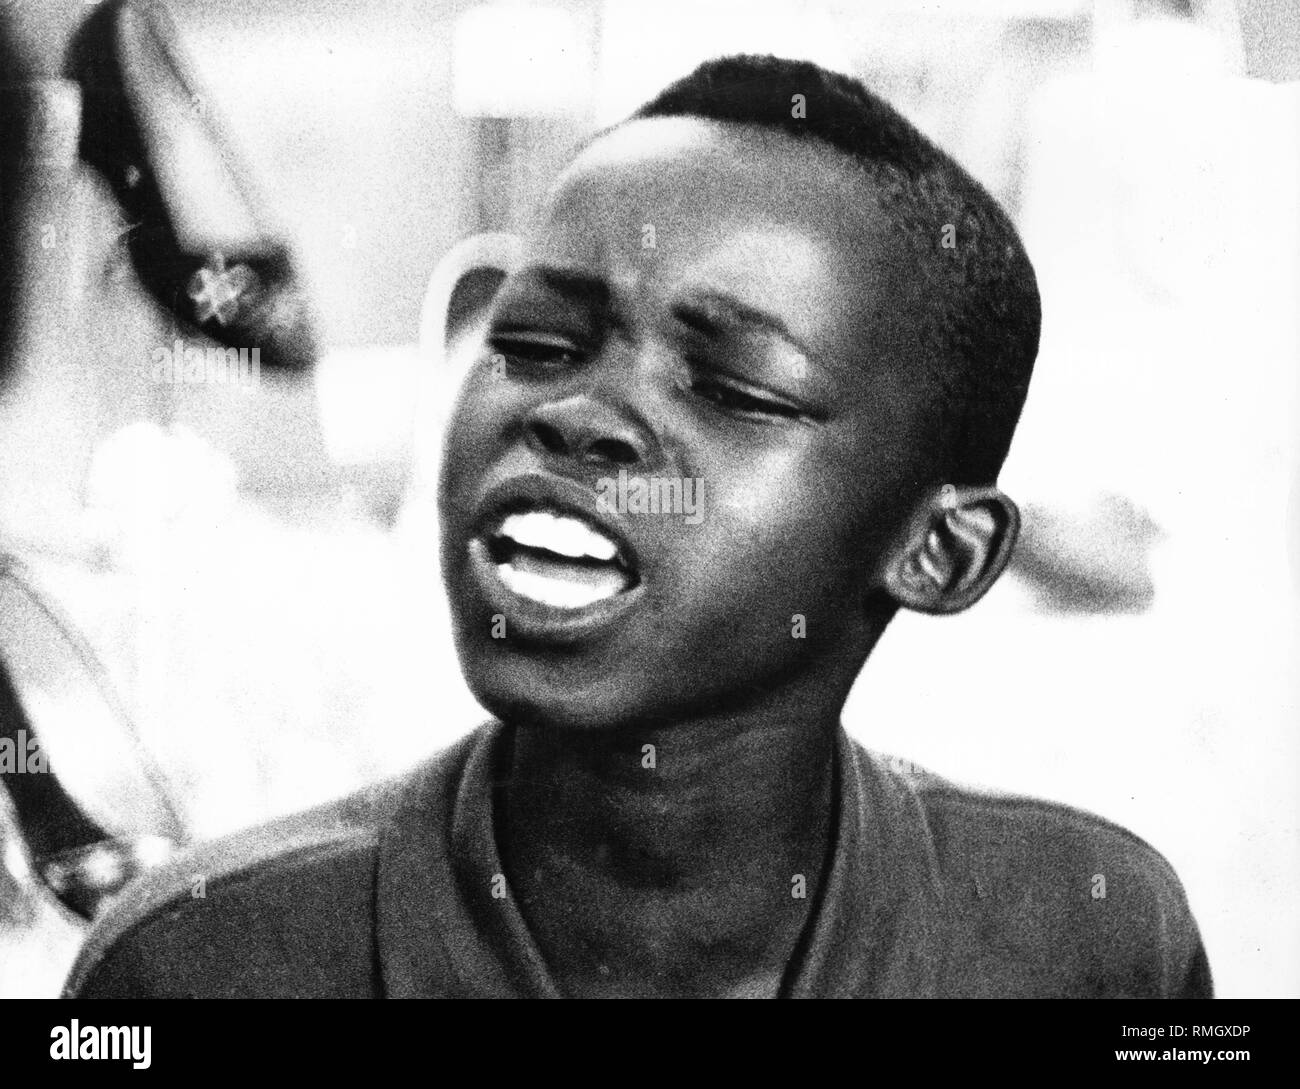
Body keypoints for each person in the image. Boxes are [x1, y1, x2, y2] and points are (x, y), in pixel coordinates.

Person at [65, 54, 1211, 999]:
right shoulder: (200, 968)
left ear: (939, 551)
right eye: (536, 345)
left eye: (736, 390)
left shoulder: (1091, 941)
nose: (575, 414)